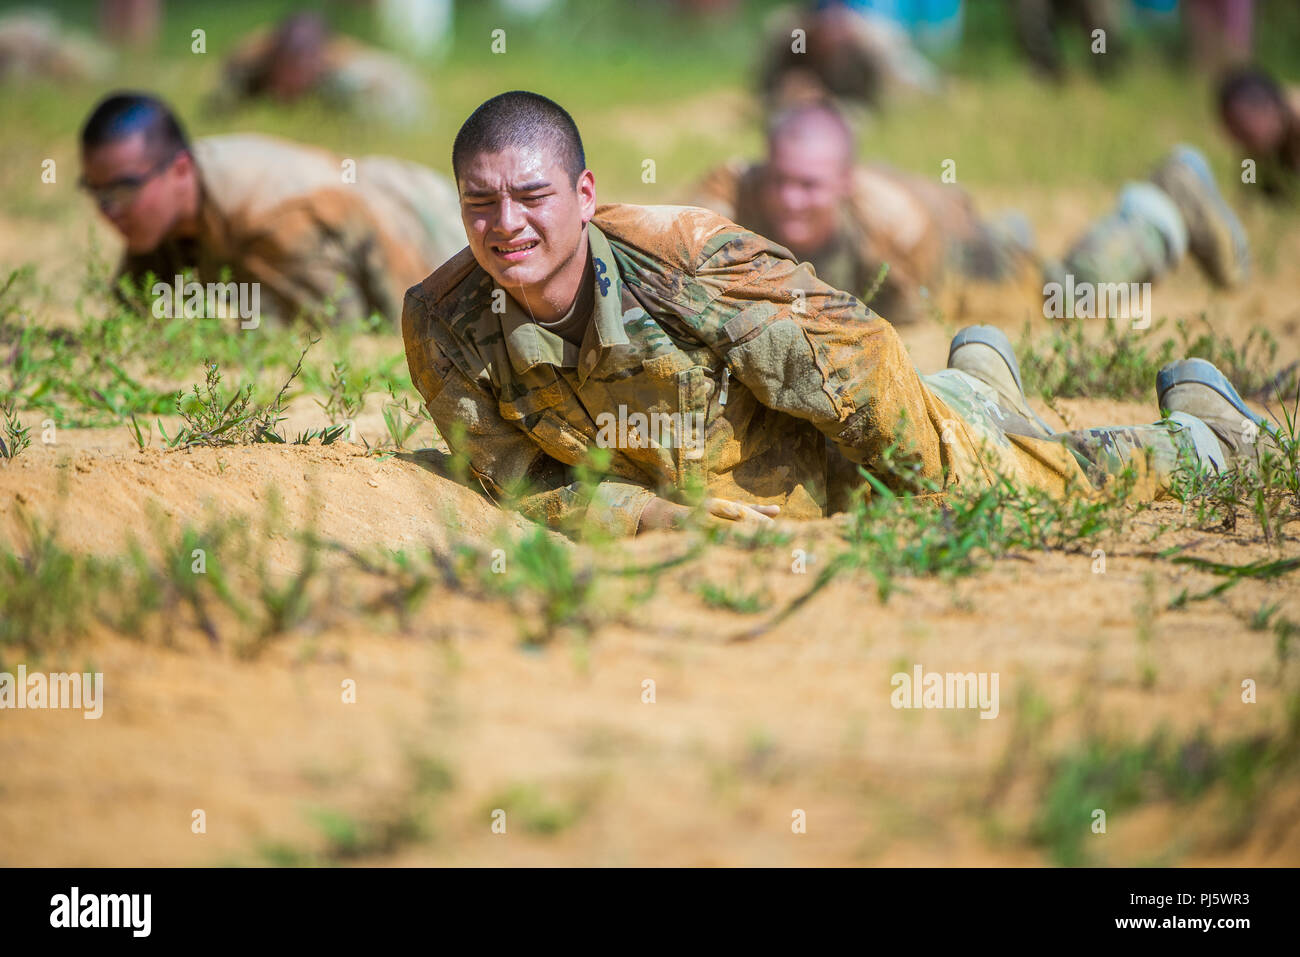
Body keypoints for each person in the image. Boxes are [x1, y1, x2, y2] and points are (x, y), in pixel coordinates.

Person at [401, 90, 1279, 539]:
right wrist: (645, 517)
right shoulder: (443, 322)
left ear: (585, 194)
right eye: (480, 201)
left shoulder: (690, 264)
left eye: (531, 195)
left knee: (1026, 487)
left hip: (848, 453)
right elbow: (511, 483)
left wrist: (936, 484)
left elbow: (855, 358)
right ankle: (976, 381)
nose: (505, 224)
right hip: (731, 482)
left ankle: (1204, 438)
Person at [689, 102, 1250, 325]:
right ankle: (1013, 227)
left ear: (843, 183)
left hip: (962, 256)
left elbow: (893, 322)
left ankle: (1164, 204)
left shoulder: (892, 232)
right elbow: (686, 248)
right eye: (780, 179)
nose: (789, 199)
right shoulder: (738, 184)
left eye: (809, 186)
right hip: (933, 212)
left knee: (1069, 295)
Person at [79, 92, 464, 326]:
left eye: (123, 189)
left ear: (179, 170)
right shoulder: (162, 205)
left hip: (431, 222)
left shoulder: (277, 221)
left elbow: (333, 337)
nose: (108, 209)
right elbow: (138, 310)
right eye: (95, 191)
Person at [206, 11, 428, 128]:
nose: (292, 80)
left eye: (301, 70)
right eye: (288, 69)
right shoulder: (249, 61)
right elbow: (217, 102)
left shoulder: (349, 71)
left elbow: (407, 104)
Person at [1217, 66, 1300, 202]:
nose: (1237, 140)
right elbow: (1248, 189)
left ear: (1267, 109)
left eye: (1244, 132)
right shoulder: (1254, 148)